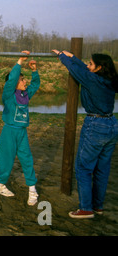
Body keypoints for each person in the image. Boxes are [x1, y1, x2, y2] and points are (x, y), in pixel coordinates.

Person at [52, 50, 118, 219]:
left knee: (83, 167)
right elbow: (84, 70)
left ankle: (86, 209)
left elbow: (76, 71)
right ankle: (98, 206)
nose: (88, 65)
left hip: (95, 125)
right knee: (102, 169)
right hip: (111, 124)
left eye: (91, 63)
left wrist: (61, 56)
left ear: (99, 67)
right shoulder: (107, 79)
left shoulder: (92, 79)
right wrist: (74, 57)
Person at [0, 51, 40, 206]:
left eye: (24, 79)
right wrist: (19, 61)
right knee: (6, 159)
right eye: (22, 79)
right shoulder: (8, 95)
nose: (24, 81)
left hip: (22, 133)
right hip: (9, 132)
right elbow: (12, 79)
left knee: (27, 159)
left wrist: (34, 70)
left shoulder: (25, 95)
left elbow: (35, 84)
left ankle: (32, 190)